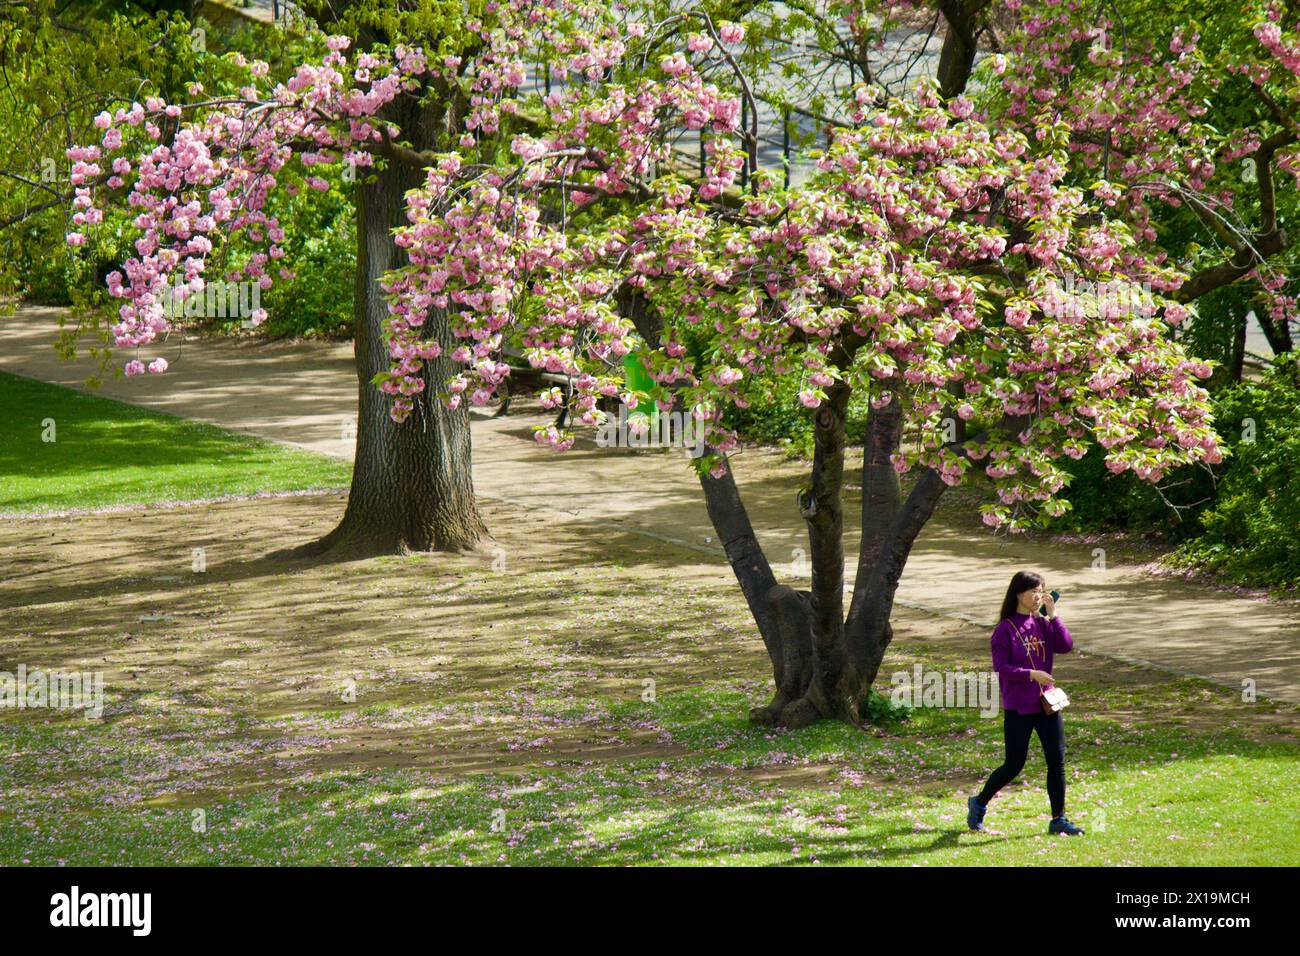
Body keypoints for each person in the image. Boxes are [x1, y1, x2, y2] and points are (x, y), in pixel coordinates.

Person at [966, 570, 1084, 836]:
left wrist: (1053, 616)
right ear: (1018, 593)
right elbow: (1002, 668)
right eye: (1033, 591)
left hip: (1046, 703)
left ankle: (1058, 819)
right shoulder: (1004, 629)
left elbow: (1065, 646)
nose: (1037, 596)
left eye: (1041, 590)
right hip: (1019, 705)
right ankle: (979, 802)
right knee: (1014, 764)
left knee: (1057, 760)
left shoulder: (1043, 623)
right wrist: (1031, 674)